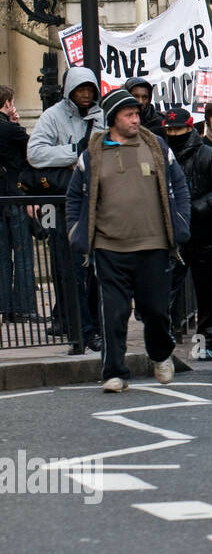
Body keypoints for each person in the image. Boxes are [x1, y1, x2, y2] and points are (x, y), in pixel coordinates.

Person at [66, 89, 191, 392]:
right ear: (113, 119)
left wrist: (181, 224)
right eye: (129, 115)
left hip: (154, 246)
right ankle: (114, 372)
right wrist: (76, 233)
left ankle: (161, 353)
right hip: (110, 247)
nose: (137, 118)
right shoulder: (92, 155)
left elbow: (179, 185)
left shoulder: (156, 146)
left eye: (137, 113)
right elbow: (73, 199)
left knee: (156, 311)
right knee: (114, 313)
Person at [27, 66, 104, 348]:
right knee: (71, 271)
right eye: (80, 89)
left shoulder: (102, 116)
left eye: (89, 89)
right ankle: (81, 331)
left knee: (98, 271)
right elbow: (35, 153)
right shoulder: (52, 116)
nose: (85, 94)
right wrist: (74, 152)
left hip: (99, 203)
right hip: (65, 206)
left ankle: (97, 328)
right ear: (68, 90)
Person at [162, 108, 212, 358]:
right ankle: (164, 337)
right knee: (168, 287)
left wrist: (194, 209)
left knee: (206, 290)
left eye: (179, 129)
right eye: (170, 130)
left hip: (205, 232)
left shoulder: (208, 155)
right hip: (174, 232)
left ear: (190, 128)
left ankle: (208, 341)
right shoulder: (162, 155)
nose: (174, 134)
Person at [0, 86, 37, 322]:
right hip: (15, 197)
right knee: (23, 254)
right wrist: (18, 125)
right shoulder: (10, 129)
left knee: (3, 257)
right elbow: (33, 150)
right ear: (7, 103)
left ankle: (5, 307)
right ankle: (24, 308)